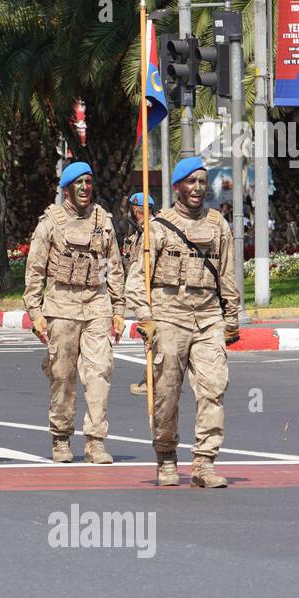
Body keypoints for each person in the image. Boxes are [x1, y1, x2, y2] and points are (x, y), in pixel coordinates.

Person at [125, 156, 239, 488]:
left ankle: (204, 463)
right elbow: (137, 279)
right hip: (169, 318)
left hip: (207, 319)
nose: (198, 188)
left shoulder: (219, 224)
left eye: (202, 182)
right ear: (177, 186)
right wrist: (145, 317)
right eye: (191, 182)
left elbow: (228, 275)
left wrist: (231, 318)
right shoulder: (158, 226)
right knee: (167, 395)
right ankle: (166, 458)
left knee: (213, 390)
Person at [23, 161, 125, 464]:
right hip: (61, 307)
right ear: (67, 188)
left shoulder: (103, 221)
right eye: (78, 183)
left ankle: (95, 441)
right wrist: (35, 312)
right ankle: (61, 438)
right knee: (62, 376)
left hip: (96, 305)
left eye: (89, 182)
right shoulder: (50, 223)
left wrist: (119, 308)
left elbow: (114, 267)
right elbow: (35, 270)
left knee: (98, 374)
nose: (85, 188)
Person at [123, 193, 155, 396]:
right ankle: (150, 380)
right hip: (149, 293)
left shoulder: (150, 232)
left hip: (149, 295)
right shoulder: (142, 231)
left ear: (136, 209)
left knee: (151, 340)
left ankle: (152, 383)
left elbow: (140, 270)